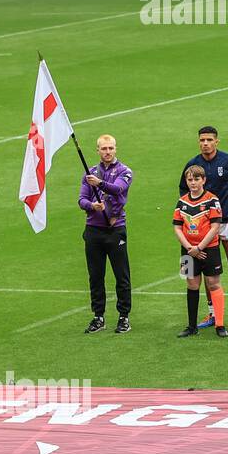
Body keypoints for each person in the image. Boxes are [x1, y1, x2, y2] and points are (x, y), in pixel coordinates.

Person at [180, 126, 228, 331]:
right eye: (202, 140)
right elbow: (182, 192)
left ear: (217, 141)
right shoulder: (193, 164)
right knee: (205, 267)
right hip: (203, 225)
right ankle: (212, 312)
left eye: (209, 140)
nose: (205, 143)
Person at [78, 134, 134, 334]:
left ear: (116, 149)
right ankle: (98, 316)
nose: (107, 152)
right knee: (95, 275)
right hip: (93, 229)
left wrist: (99, 184)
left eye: (110, 148)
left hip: (115, 229)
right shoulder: (90, 172)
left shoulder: (124, 171)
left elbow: (118, 189)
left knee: (121, 275)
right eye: (104, 149)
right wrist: (92, 205)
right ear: (98, 150)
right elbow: (81, 200)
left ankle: (124, 316)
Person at [173, 165, 228, 339]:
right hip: (187, 251)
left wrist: (199, 248)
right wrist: (189, 248)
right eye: (190, 180)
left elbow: (215, 227)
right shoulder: (182, 202)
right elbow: (177, 227)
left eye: (197, 179)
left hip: (209, 249)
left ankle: (219, 324)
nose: (193, 183)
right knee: (191, 284)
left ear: (203, 180)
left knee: (213, 283)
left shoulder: (212, 200)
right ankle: (191, 326)